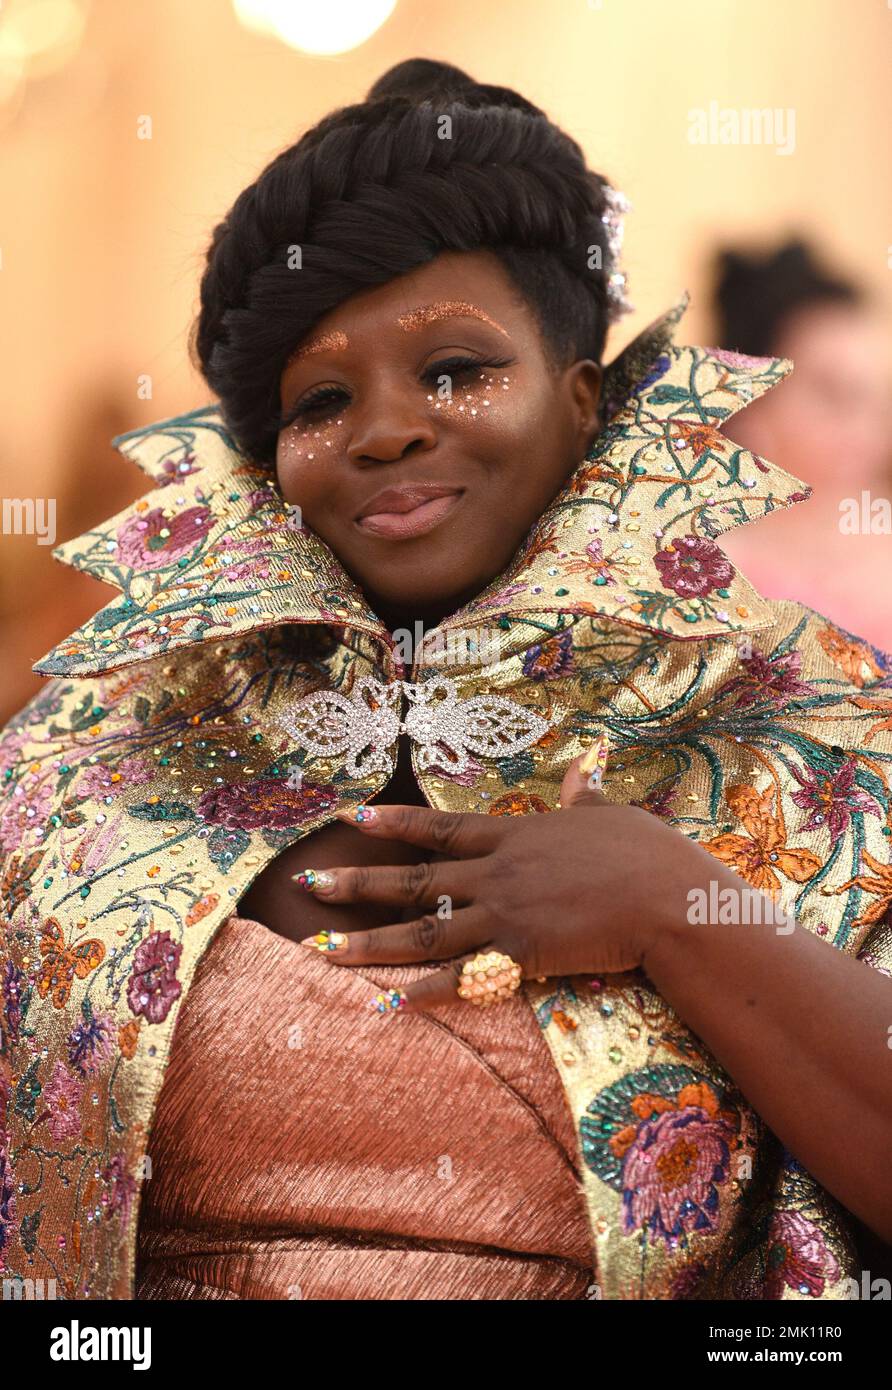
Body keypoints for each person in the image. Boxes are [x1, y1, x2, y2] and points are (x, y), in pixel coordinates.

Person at [2, 59, 891, 1303]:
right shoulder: (97, 751)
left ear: (583, 403)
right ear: (266, 465)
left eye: (457, 370)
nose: (384, 429)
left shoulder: (794, 726)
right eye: (322, 399)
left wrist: (671, 906)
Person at [713, 239, 892, 651]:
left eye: (876, 399)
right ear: (750, 401)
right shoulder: (709, 579)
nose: (867, 429)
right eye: (834, 396)